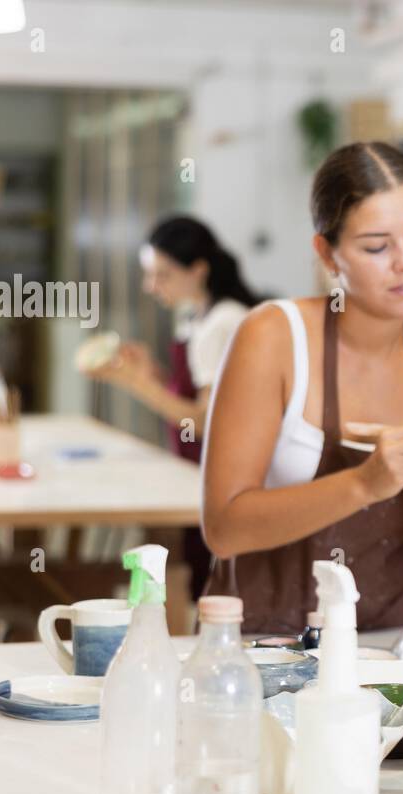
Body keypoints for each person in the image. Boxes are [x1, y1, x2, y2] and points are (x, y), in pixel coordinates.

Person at [202, 141, 403, 633]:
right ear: (327, 254)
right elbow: (224, 529)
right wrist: (365, 483)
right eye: (376, 246)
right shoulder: (272, 337)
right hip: (260, 646)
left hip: (390, 641)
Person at [83, 215, 258, 600]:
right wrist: (153, 373)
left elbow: (202, 420)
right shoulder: (198, 316)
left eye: (162, 275)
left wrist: (132, 381)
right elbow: (193, 396)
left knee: (211, 585)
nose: (151, 286)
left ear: (198, 271)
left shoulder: (222, 323)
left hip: (220, 476)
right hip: (196, 474)